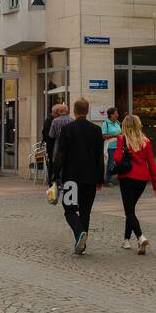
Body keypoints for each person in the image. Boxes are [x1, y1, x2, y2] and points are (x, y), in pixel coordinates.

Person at [51, 98, 104, 255]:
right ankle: (81, 243)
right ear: (87, 111)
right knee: (85, 211)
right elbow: (99, 156)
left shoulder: (67, 129)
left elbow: (60, 154)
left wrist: (54, 174)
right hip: (90, 178)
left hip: (71, 178)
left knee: (69, 209)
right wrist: (100, 179)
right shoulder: (96, 130)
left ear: (74, 111)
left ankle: (79, 233)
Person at [112, 114, 156, 254]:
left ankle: (140, 237)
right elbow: (151, 164)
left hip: (127, 177)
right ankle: (126, 240)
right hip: (142, 179)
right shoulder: (146, 141)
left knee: (129, 211)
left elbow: (117, 158)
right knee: (131, 209)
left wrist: (119, 148)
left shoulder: (122, 139)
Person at [102, 107, 122, 188]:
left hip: (119, 146)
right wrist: (115, 135)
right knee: (110, 164)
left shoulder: (117, 122)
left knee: (119, 163)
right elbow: (103, 136)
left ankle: (119, 178)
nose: (117, 115)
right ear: (111, 115)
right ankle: (107, 180)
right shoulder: (105, 123)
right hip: (110, 147)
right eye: (116, 113)